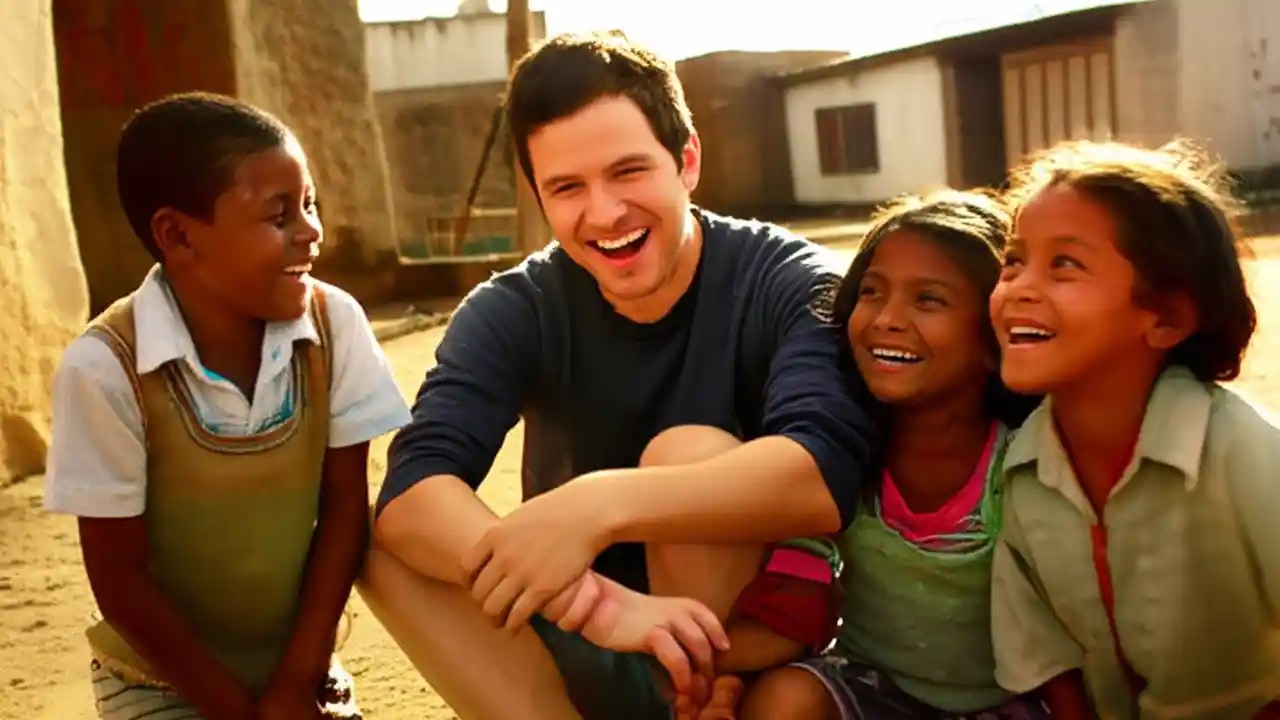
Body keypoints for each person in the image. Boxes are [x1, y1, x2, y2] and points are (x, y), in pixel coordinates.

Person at [360, 30, 874, 720]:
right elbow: (414, 489)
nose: (603, 214)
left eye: (628, 172)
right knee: (377, 540)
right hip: (585, 630)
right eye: (567, 187)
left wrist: (600, 505)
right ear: (539, 196)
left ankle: (697, 707)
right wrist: (592, 604)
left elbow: (822, 472)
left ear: (686, 159)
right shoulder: (516, 307)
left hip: (732, 649)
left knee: (688, 452)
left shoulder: (788, 281)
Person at [43, 92, 411, 719]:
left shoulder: (334, 324)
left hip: (301, 669)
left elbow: (346, 509)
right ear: (178, 235)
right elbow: (120, 584)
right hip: (160, 680)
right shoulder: (107, 368)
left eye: (309, 204)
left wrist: (298, 679)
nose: (312, 230)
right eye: (278, 216)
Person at [988, 139, 1280, 719]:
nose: (1017, 286)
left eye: (1064, 265)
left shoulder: (1241, 449)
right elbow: (1043, 655)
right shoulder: (1022, 468)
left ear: (1166, 318)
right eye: (1013, 261)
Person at [727, 191, 1047, 720]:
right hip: (872, 691)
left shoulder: (1020, 467)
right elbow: (794, 606)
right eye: (871, 293)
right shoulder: (843, 457)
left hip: (1005, 704)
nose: (887, 319)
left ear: (995, 339)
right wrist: (684, 661)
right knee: (784, 699)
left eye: (929, 300)